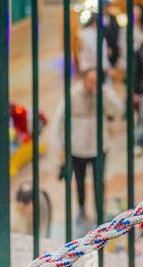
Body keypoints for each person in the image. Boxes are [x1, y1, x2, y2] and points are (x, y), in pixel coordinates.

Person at [52, 69, 125, 230]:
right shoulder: (72, 95)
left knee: (100, 181)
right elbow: (59, 120)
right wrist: (60, 146)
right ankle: (81, 208)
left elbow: (118, 110)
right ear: (84, 80)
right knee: (79, 181)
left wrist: (104, 95)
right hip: (77, 148)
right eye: (91, 81)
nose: (93, 85)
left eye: (96, 82)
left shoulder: (105, 93)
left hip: (99, 146)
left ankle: (100, 211)